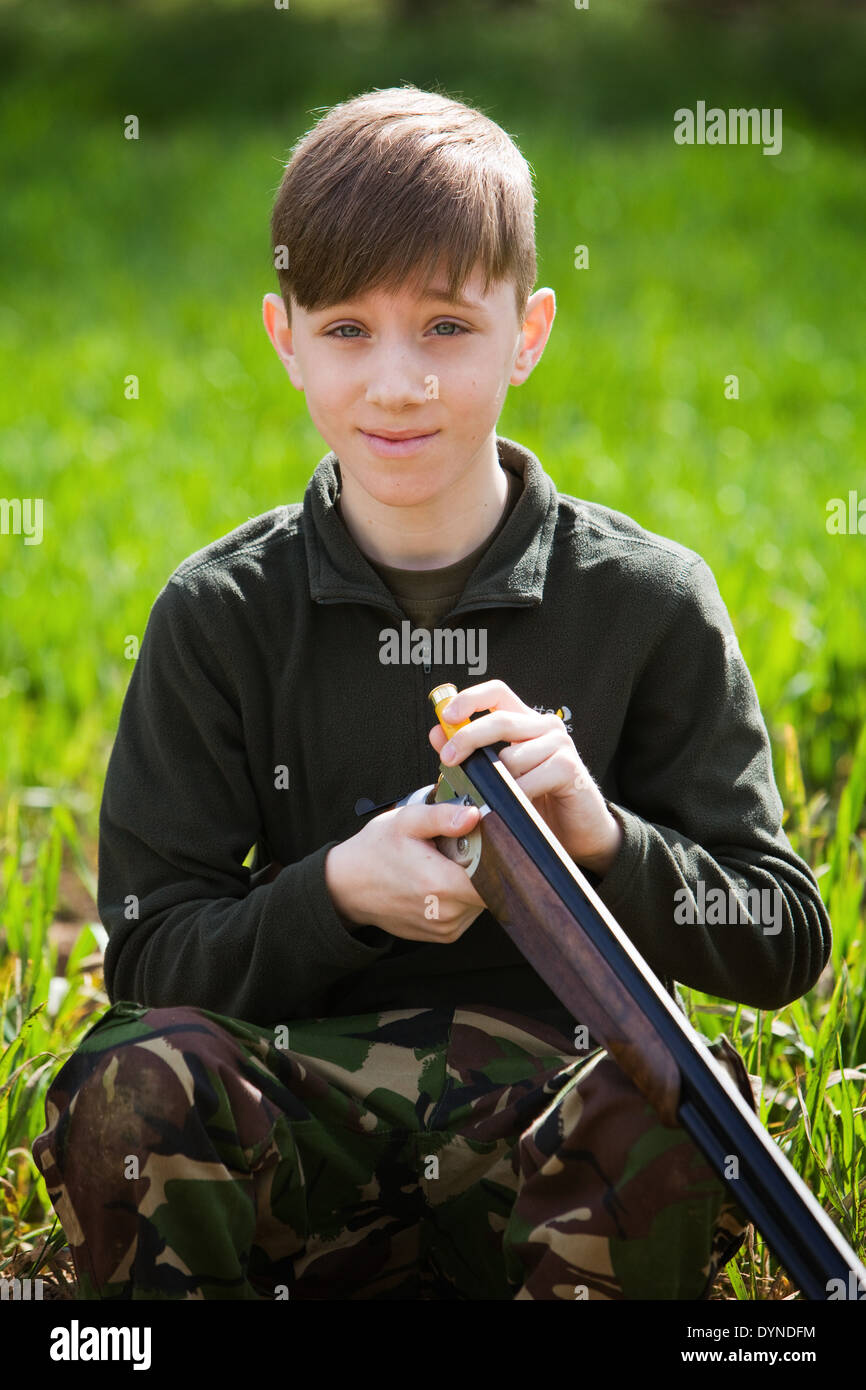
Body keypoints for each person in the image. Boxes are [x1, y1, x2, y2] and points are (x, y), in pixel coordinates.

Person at [33, 85, 831, 1301]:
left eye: (447, 327)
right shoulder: (218, 614)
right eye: (346, 328)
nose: (396, 383)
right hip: (301, 1114)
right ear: (282, 336)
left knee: (677, 1094)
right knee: (131, 1078)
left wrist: (601, 838)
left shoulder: (647, 602)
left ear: (529, 331)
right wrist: (338, 892)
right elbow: (150, 957)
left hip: (557, 1120)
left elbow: (780, 935)